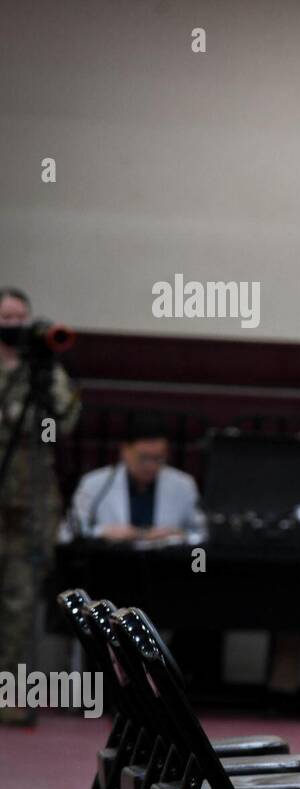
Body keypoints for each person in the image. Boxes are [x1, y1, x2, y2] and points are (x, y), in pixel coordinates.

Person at [0, 287, 80, 727]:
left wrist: (45, 385)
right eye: (6, 316)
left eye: (20, 316)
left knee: (20, 598)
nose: (14, 324)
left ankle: (9, 690)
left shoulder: (44, 371)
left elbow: (59, 428)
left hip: (29, 502)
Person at [66, 413, 205, 543]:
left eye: (158, 458)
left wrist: (179, 536)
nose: (151, 466)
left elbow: (203, 533)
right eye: (144, 458)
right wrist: (102, 533)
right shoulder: (95, 483)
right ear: (125, 451)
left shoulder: (183, 485)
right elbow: (68, 533)